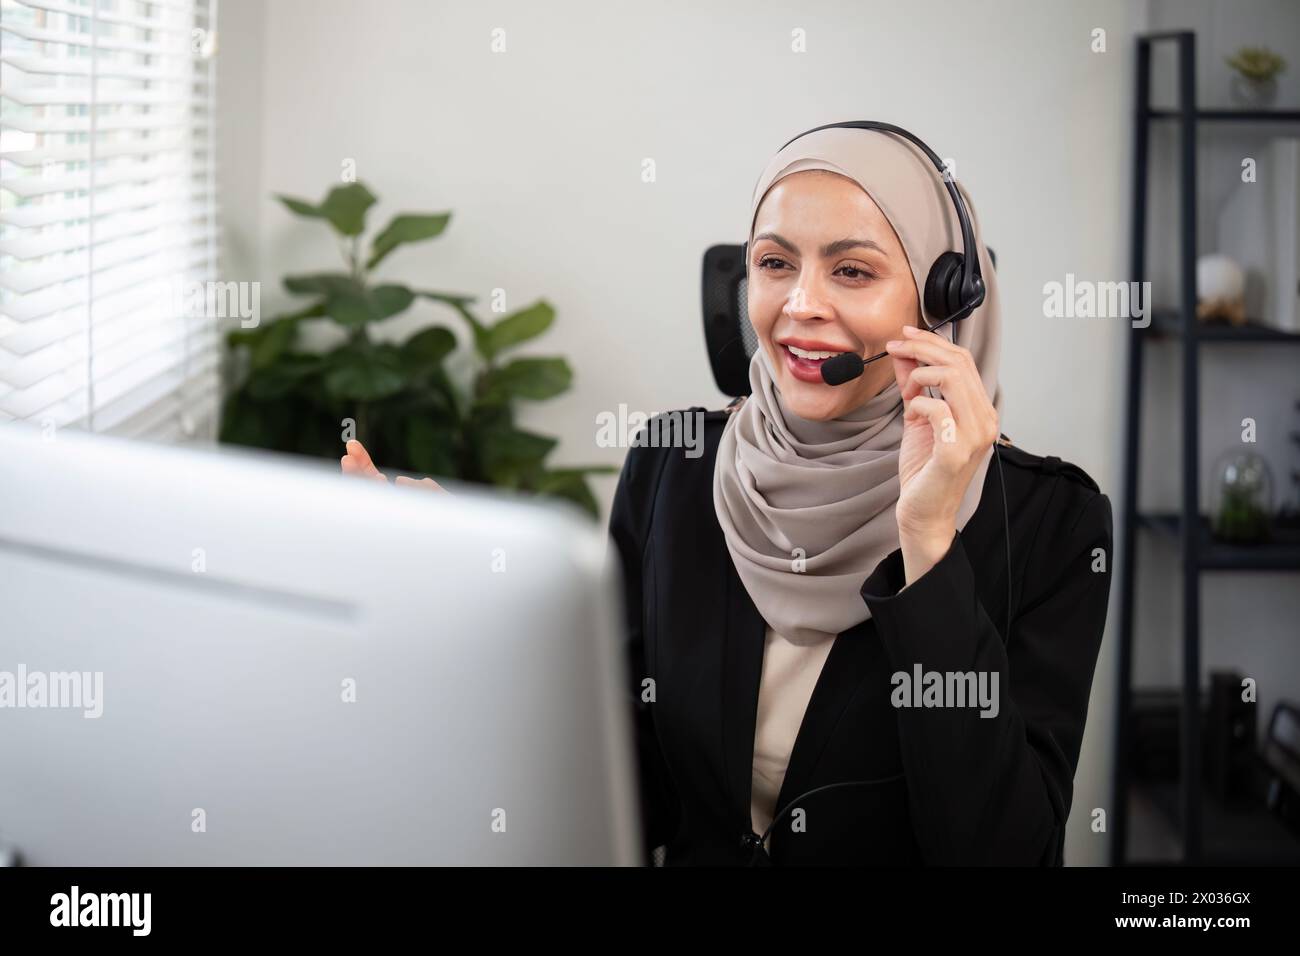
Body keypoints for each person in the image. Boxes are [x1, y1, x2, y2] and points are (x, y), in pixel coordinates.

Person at [343, 124, 1113, 867]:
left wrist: (931, 545)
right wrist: (472, 601)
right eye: (776, 263)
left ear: (945, 301)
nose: (800, 304)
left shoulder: (1053, 525)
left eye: (852, 270)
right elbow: (625, 785)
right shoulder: (674, 467)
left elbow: (1002, 850)